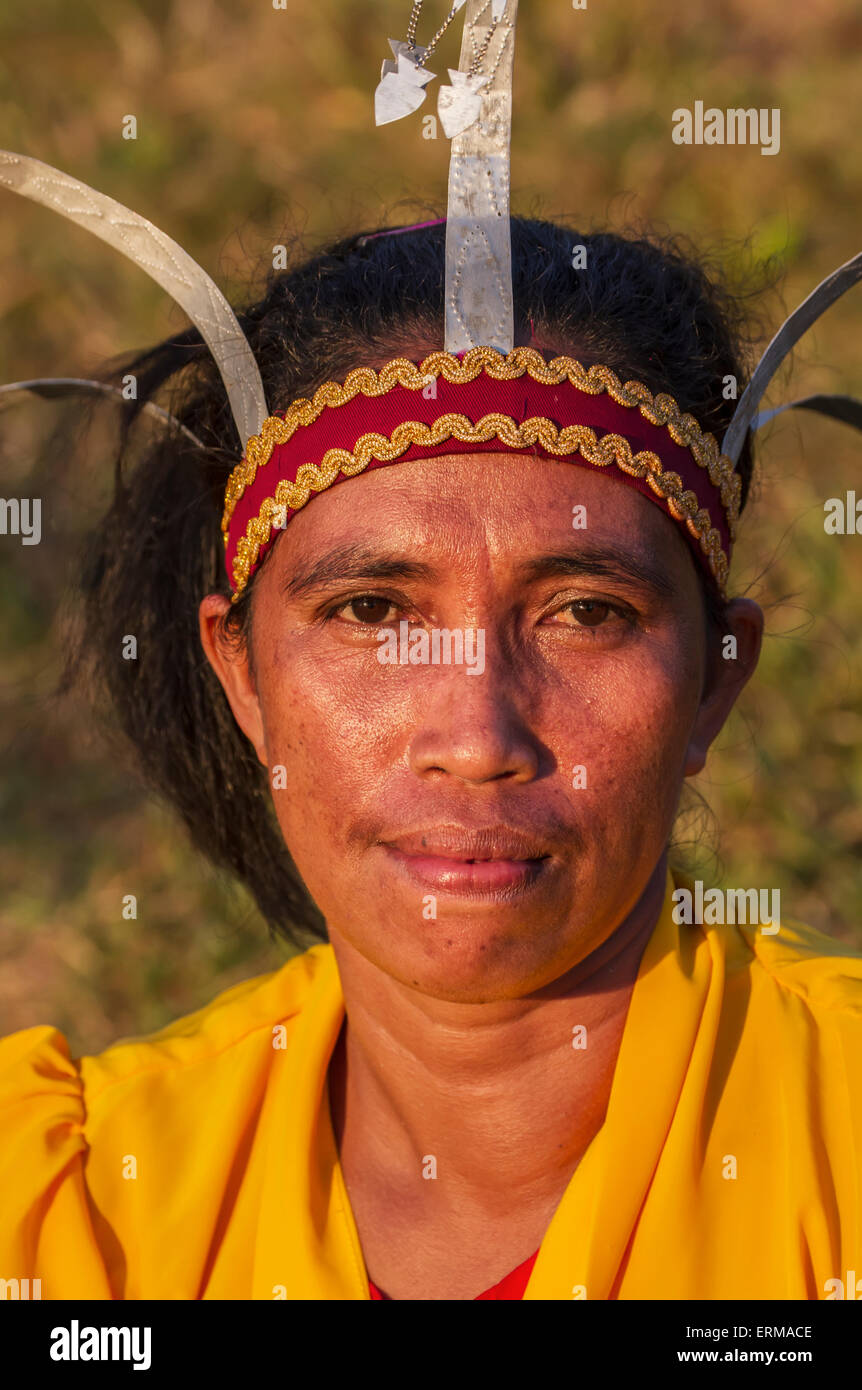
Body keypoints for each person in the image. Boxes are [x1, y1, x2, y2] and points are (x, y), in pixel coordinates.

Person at [1, 216, 860, 1300]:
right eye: (371, 609)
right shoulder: (76, 1216)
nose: (476, 738)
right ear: (244, 674)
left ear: (712, 682)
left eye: (585, 611)